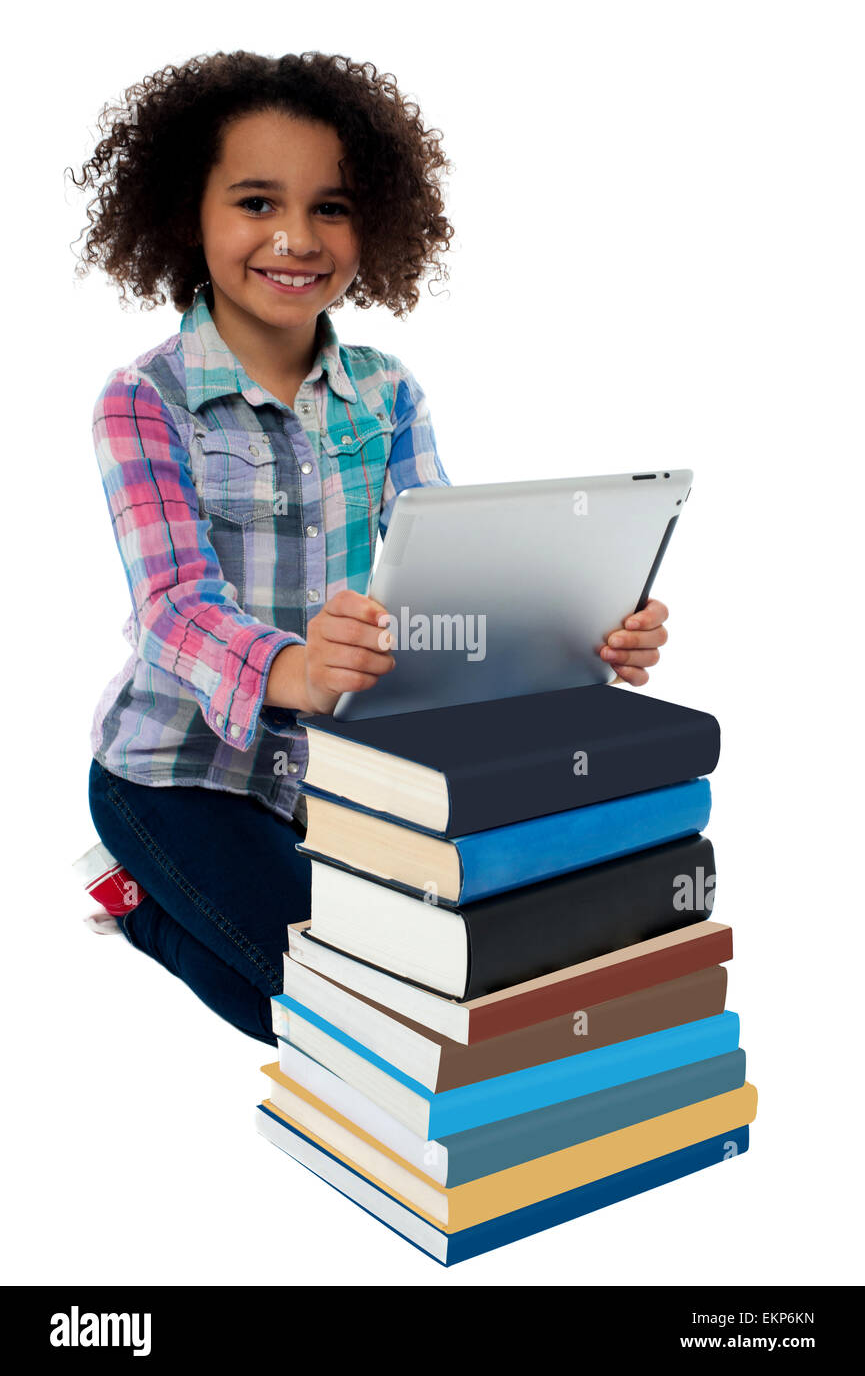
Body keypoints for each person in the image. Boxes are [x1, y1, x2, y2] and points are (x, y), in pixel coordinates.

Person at [71, 50, 671, 1046]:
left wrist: (582, 639)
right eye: (257, 202)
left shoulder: (388, 392)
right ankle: (138, 902)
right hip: (176, 773)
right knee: (327, 1019)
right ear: (191, 213)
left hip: (335, 778)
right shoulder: (146, 399)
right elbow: (173, 605)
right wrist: (295, 667)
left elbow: (446, 579)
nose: (295, 238)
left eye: (332, 208)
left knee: (451, 987)